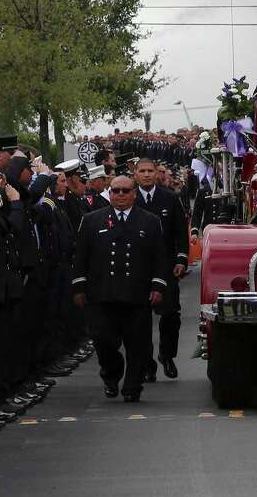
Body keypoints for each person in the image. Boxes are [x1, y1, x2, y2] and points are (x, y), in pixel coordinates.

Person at [71, 175, 168, 403]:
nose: (121, 195)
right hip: (103, 293)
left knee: (138, 344)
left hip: (137, 293)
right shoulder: (92, 220)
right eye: (116, 191)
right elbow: (81, 257)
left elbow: (159, 257)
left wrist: (158, 286)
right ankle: (111, 374)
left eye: (125, 191)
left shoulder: (150, 221)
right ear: (110, 193)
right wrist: (79, 287)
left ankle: (133, 386)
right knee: (102, 339)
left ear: (134, 193)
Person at [134, 158, 189, 382]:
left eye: (150, 171)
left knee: (170, 314)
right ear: (135, 174)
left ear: (157, 173)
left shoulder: (169, 198)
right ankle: (146, 363)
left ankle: (167, 355)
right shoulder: (129, 197)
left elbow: (180, 232)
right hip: (137, 268)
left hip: (165, 267)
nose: (147, 175)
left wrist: (181, 259)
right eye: (142, 171)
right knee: (140, 319)